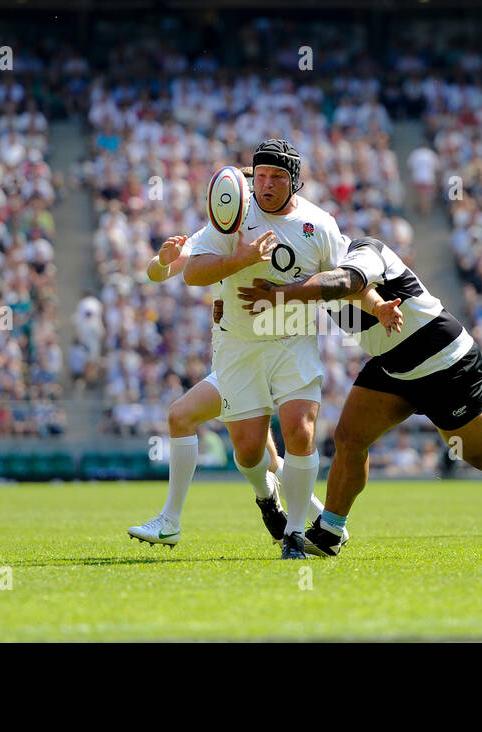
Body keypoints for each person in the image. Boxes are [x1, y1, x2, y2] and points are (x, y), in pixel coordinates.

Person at [238, 236, 482, 557]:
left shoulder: (364, 251)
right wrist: (228, 310)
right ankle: (330, 531)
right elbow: (288, 307)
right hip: (394, 365)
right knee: (349, 438)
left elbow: (346, 283)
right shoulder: (310, 281)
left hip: (442, 360)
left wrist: (283, 293)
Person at [183, 140, 363, 559]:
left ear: (295, 180)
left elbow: (346, 281)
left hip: (293, 340)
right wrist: (241, 258)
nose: (266, 184)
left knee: (300, 432)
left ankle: (295, 535)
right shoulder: (235, 214)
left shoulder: (319, 224)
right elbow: (193, 271)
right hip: (239, 345)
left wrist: (373, 313)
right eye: (260, 175)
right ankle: (267, 497)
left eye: (277, 176)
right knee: (248, 451)